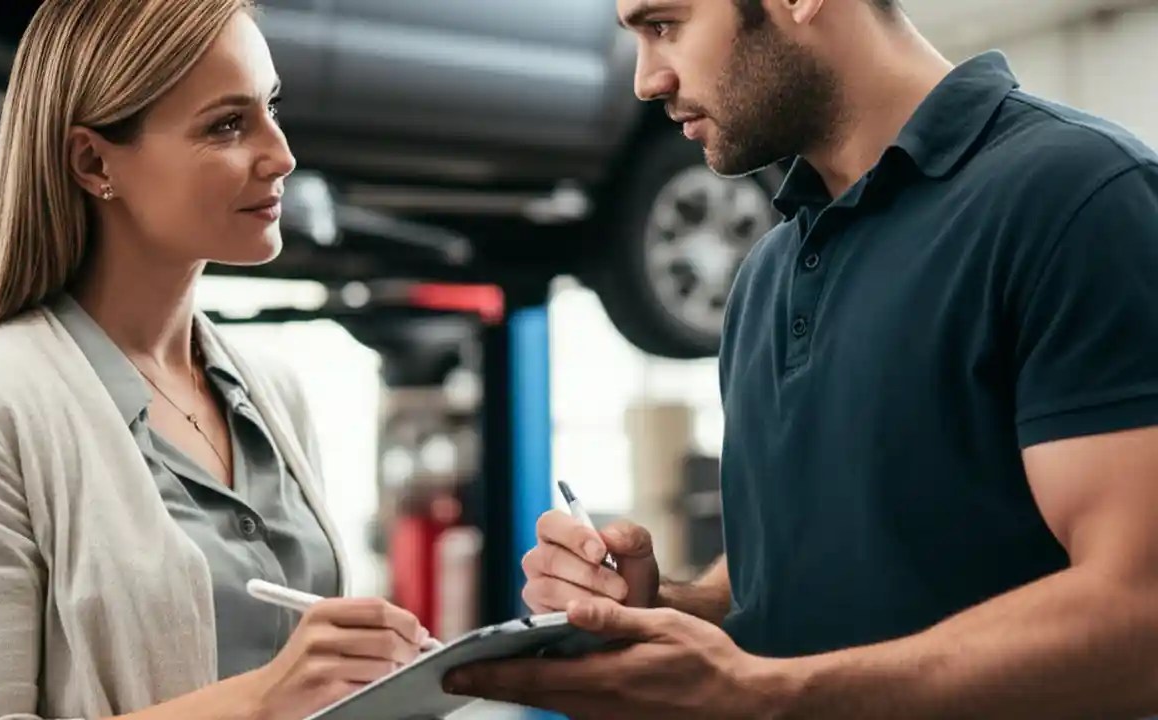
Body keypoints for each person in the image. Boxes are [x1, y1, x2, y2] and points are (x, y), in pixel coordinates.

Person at [445, 0, 1158, 718]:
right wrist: (668, 613)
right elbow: (806, 580)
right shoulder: (766, 274)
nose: (646, 80)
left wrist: (766, 696)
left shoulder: (1080, 199)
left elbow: (1140, 610)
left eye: (665, 26)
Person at [0, 2, 428, 719]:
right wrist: (262, 698)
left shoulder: (274, 393)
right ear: (93, 161)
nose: (282, 154)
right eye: (228, 125)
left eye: (271, 108)